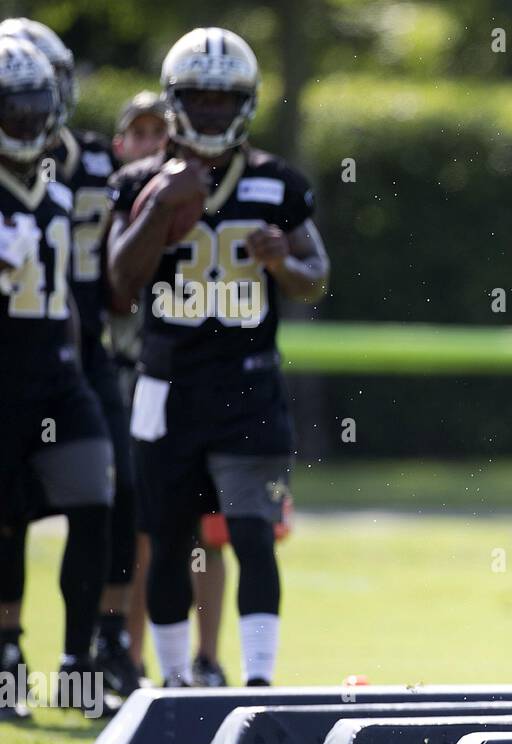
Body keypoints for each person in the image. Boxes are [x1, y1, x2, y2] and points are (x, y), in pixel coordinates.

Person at [106, 27, 329, 687]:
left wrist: (281, 262)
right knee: (168, 540)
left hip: (247, 387)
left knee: (252, 535)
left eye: (221, 98)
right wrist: (160, 209)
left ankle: (257, 682)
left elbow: (316, 274)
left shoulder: (275, 182)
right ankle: (175, 684)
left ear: (246, 102)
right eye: (197, 98)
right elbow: (118, 287)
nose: (208, 110)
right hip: (166, 386)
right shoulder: (138, 183)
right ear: (176, 99)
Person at [0, 18, 143, 696]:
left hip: (64, 373)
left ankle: (80, 658)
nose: (27, 119)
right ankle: (7, 651)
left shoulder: (58, 185)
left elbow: (74, 291)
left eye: (36, 105)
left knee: (98, 497)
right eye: (14, 108)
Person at [108, 90, 231, 687]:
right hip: (139, 372)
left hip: (208, 381)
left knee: (212, 530)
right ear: (122, 141)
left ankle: (205, 660)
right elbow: (117, 285)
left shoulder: (212, 186)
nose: (153, 141)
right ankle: (133, 659)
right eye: (141, 131)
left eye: (163, 130)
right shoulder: (133, 189)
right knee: (150, 529)